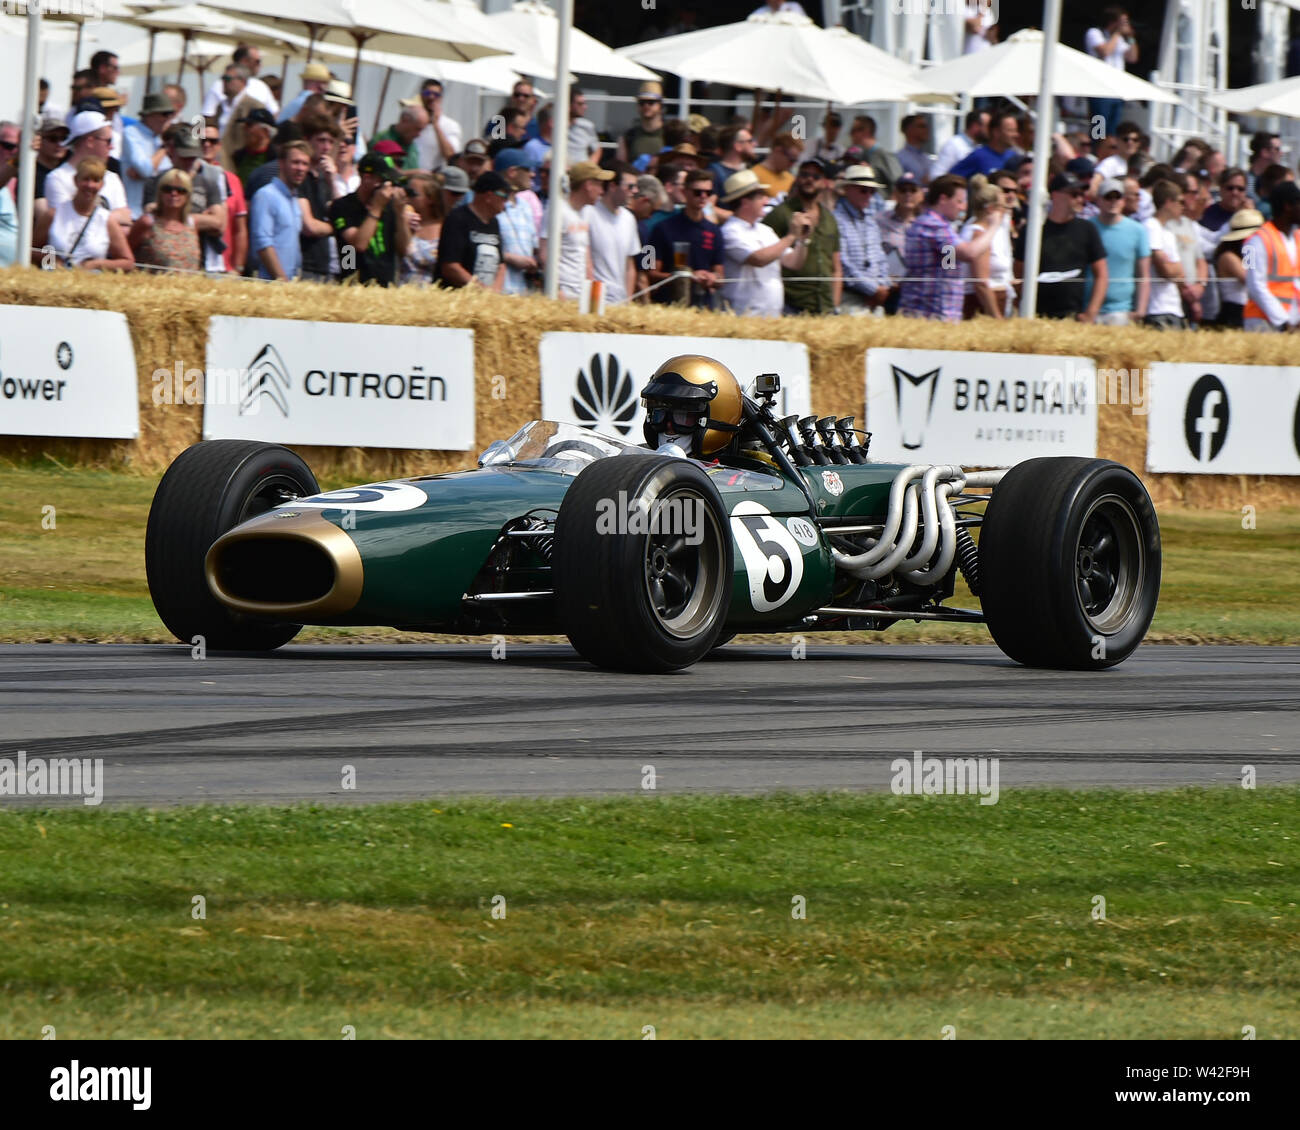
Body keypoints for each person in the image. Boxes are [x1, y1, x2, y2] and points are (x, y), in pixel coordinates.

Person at [898, 174, 1002, 322]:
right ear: (943, 199)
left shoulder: (939, 226)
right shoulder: (932, 225)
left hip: (937, 313)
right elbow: (968, 253)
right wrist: (993, 226)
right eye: (959, 201)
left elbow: (947, 264)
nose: (963, 207)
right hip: (928, 315)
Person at [1012, 171, 1107, 321]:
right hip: (1035, 316)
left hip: (1072, 317)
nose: (1080, 199)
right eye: (1074, 194)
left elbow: (1102, 274)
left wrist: (1091, 312)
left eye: (1082, 194)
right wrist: (1021, 301)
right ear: (1056, 195)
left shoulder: (1087, 229)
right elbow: (1018, 270)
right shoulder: (1033, 231)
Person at [145, 124, 228, 274]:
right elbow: (152, 216)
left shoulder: (208, 182)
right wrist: (202, 219)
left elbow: (219, 223)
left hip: (201, 262)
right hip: (163, 263)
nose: (189, 162)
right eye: (185, 157)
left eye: (193, 157)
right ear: (172, 151)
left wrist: (176, 215)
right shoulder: (156, 182)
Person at [763, 158, 840, 315]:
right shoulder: (780, 214)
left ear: (824, 182)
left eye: (816, 176)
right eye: (804, 174)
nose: (809, 179)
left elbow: (836, 268)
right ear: (797, 178)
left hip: (824, 304)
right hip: (792, 303)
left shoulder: (830, 218)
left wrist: (834, 305)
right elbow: (765, 254)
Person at [33, 158, 134, 271]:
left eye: (96, 180)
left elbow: (128, 261)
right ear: (76, 180)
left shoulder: (107, 220)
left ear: (102, 185)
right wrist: (52, 261)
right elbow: (31, 250)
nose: (90, 185)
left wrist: (97, 264)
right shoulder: (54, 214)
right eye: (86, 179)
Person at [328, 152, 410, 286]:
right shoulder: (342, 206)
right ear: (367, 178)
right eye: (384, 182)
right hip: (353, 283)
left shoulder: (390, 207)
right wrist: (376, 207)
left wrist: (401, 215)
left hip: (385, 286)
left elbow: (404, 249)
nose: (389, 188)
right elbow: (359, 245)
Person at [639, 355, 744, 460]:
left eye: (683, 416)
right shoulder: (639, 462)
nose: (669, 426)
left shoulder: (740, 475)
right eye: (659, 414)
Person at [649, 167, 726, 308]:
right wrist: (686, 277)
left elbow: (720, 276)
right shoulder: (661, 228)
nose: (703, 196)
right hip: (668, 305)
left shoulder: (715, 231)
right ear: (685, 192)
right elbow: (649, 273)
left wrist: (712, 278)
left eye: (708, 193)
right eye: (698, 192)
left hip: (703, 307)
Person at [43, 112, 131, 228]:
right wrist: (111, 220)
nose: (112, 147)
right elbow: (67, 224)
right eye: (108, 141)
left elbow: (126, 217)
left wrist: (89, 217)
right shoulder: (57, 179)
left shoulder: (112, 178)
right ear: (90, 142)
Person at [541, 160, 609, 299]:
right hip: (563, 294)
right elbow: (544, 254)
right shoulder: (557, 211)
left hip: (580, 294)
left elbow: (586, 254)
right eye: (600, 185)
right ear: (588, 185)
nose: (602, 191)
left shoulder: (586, 212)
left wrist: (590, 289)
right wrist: (556, 289)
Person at [1088, 176, 1149, 325]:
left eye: (1118, 197)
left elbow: (1144, 275)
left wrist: (1141, 310)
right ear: (1099, 200)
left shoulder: (1138, 230)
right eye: (1108, 197)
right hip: (1088, 309)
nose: (1113, 201)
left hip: (1121, 311)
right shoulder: (1087, 227)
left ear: (1123, 200)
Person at [249, 141, 312, 281]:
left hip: (288, 284)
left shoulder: (294, 201)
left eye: (305, 164)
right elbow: (263, 243)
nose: (301, 168)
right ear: (282, 163)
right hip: (269, 285)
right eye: (295, 162)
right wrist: (282, 281)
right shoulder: (266, 195)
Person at [1243, 181, 1300, 331]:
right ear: (1287, 206)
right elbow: (1254, 285)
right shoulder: (1254, 242)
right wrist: (1283, 322)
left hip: (1291, 323)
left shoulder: (1297, 238)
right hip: (1262, 323)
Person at [833, 165, 892, 312]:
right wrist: (875, 290)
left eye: (872, 191)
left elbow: (881, 259)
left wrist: (883, 286)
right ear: (847, 190)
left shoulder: (871, 222)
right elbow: (843, 265)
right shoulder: (836, 220)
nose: (869, 195)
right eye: (863, 190)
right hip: (850, 297)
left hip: (874, 298)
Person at [438, 170, 507, 290]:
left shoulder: (494, 223)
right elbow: (450, 265)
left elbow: (501, 265)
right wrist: (480, 290)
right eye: (504, 196)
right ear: (489, 196)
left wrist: (494, 291)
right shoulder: (457, 219)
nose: (506, 202)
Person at [584, 163, 641, 305]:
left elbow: (630, 265)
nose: (635, 191)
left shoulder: (629, 218)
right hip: (594, 298)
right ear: (613, 186)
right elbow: (585, 259)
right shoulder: (589, 213)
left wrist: (627, 300)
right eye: (630, 186)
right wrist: (592, 299)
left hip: (619, 300)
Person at [959, 173, 1013, 318]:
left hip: (991, 301)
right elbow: (981, 284)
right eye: (1002, 206)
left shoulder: (974, 229)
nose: (1005, 210)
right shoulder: (979, 235)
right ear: (991, 209)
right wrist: (996, 318)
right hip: (982, 307)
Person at [129, 167, 201, 273]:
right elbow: (125, 256)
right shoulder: (147, 222)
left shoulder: (191, 224)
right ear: (160, 193)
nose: (174, 193)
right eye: (168, 189)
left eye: (181, 190)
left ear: (188, 196)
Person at [1142, 179, 1190, 330]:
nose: (1184, 206)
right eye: (1180, 201)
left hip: (1173, 309)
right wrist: (1172, 268)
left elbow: (1181, 274)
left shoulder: (1167, 233)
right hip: (1157, 310)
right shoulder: (1151, 226)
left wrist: (1172, 268)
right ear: (1168, 202)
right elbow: (1166, 270)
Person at [1084, 7, 1138, 140]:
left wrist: (1130, 38)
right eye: (1124, 22)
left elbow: (1132, 57)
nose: (1126, 25)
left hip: (1116, 90)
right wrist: (1117, 33)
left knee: (1112, 130)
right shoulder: (1095, 33)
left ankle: (1108, 149)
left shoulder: (1119, 39)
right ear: (1114, 21)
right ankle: (1096, 148)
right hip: (1099, 89)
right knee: (1099, 126)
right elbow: (1105, 52)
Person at [121, 92, 174, 218]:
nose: (169, 119)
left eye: (171, 115)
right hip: (134, 213)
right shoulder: (131, 133)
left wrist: (145, 173)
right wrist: (164, 148)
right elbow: (147, 169)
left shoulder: (160, 138)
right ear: (150, 115)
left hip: (156, 214)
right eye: (165, 114)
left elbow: (167, 173)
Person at [1211, 209, 1263, 329]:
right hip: (1233, 312)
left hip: (1246, 310)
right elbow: (1250, 279)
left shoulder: (1244, 255)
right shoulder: (1228, 257)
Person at [496, 155, 540, 295]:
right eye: (528, 170)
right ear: (512, 172)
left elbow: (534, 248)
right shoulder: (491, 204)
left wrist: (532, 264)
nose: (532, 174)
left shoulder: (526, 207)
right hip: (496, 292)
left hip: (522, 292)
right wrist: (509, 258)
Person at [876, 171, 922, 302]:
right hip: (887, 288)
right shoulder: (879, 219)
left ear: (921, 195)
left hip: (918, 289)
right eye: (903, 190)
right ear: (895, 193)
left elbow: (948, 261)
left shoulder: (931, 224)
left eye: (913, 190)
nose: (908, 194)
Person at [202, 45, 280, 122]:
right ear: (245, 61)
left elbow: (275, 114)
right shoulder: (220, 85)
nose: (260, 65)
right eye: (257, 61)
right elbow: (208, 116)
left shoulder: (261, 86)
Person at [400, 171, 444, 287]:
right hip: (401, 293)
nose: (407, 197)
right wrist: (403, 223)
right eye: (406, 192)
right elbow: (401, 252)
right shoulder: (401, 221)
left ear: (430, 199)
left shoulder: (444, 227)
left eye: (413, 193)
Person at [950, 108, 1020, 180]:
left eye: (1015, 130)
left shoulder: (1014, 158)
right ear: (996, 132)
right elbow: (951, 180)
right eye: (1010, 130)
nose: (1016, 134)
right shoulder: (978, 157)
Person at [933, 110, 988, 178]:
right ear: (975, 126)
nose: (990, 130)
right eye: (987, 126)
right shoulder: (954, 145)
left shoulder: (980, 147)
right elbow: (936, 175)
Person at [620, 82, 666, 164]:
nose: (646, 106)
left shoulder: (670, 133)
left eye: (651, 102)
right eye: (642, 102)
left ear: (660, 105)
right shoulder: (629, 136)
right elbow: (621, 165)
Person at [709, 125, 756, 197]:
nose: (754, 144)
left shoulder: (749, 170)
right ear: (738, 146)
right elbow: (708, 206)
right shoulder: (714, 173)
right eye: (750, 141)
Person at [1202, 167, 1246, 232]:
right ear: (1221, 189)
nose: (1235, 193)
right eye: (1230, 188)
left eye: (1240, 189)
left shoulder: (1251, 217)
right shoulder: (1207, 215)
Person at [1245, 131, 1282, 204]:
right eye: (1277, 149)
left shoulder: (1279, 181)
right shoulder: (1243, 182)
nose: (1281, 153)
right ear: (1265, 152)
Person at [896, 115, 934, 185]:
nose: (927, 129)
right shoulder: (899, 158)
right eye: (921, 126)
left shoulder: (927, 158)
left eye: (926, 126)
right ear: (909, 129)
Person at [568, 88, 601, 163]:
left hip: (583, 171)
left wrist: (589, 168)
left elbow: (597, 150)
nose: (585, 107)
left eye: (584, 103)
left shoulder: (587, 126)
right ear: (568, 104)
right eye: (580, 104)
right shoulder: (553, 125)